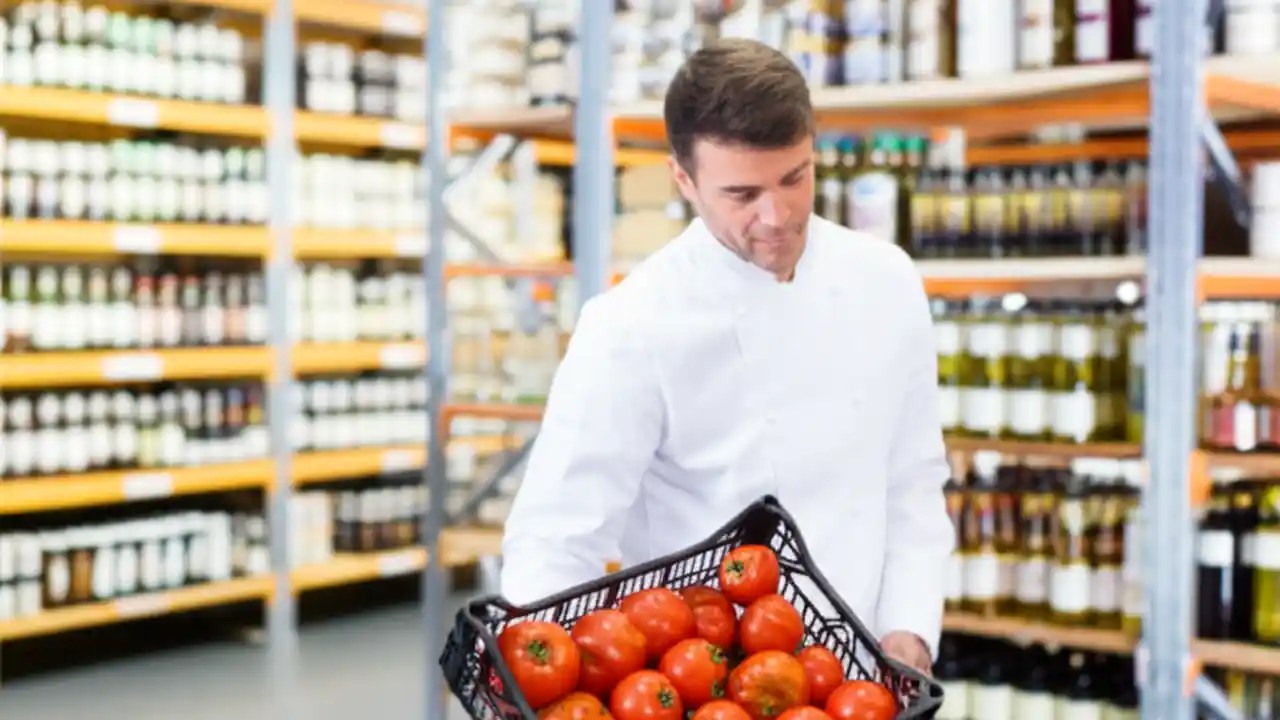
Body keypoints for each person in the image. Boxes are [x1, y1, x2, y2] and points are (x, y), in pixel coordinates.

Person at [499, 37, 953, 675]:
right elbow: (556, 538)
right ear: (684, 179)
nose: (778, 216)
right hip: (706, 684)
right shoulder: (631, 326)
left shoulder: (887, 279)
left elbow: (912, 479)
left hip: (859, 682)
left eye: (795, 178)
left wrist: (910, 631)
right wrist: (538, 682)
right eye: (742, 195)